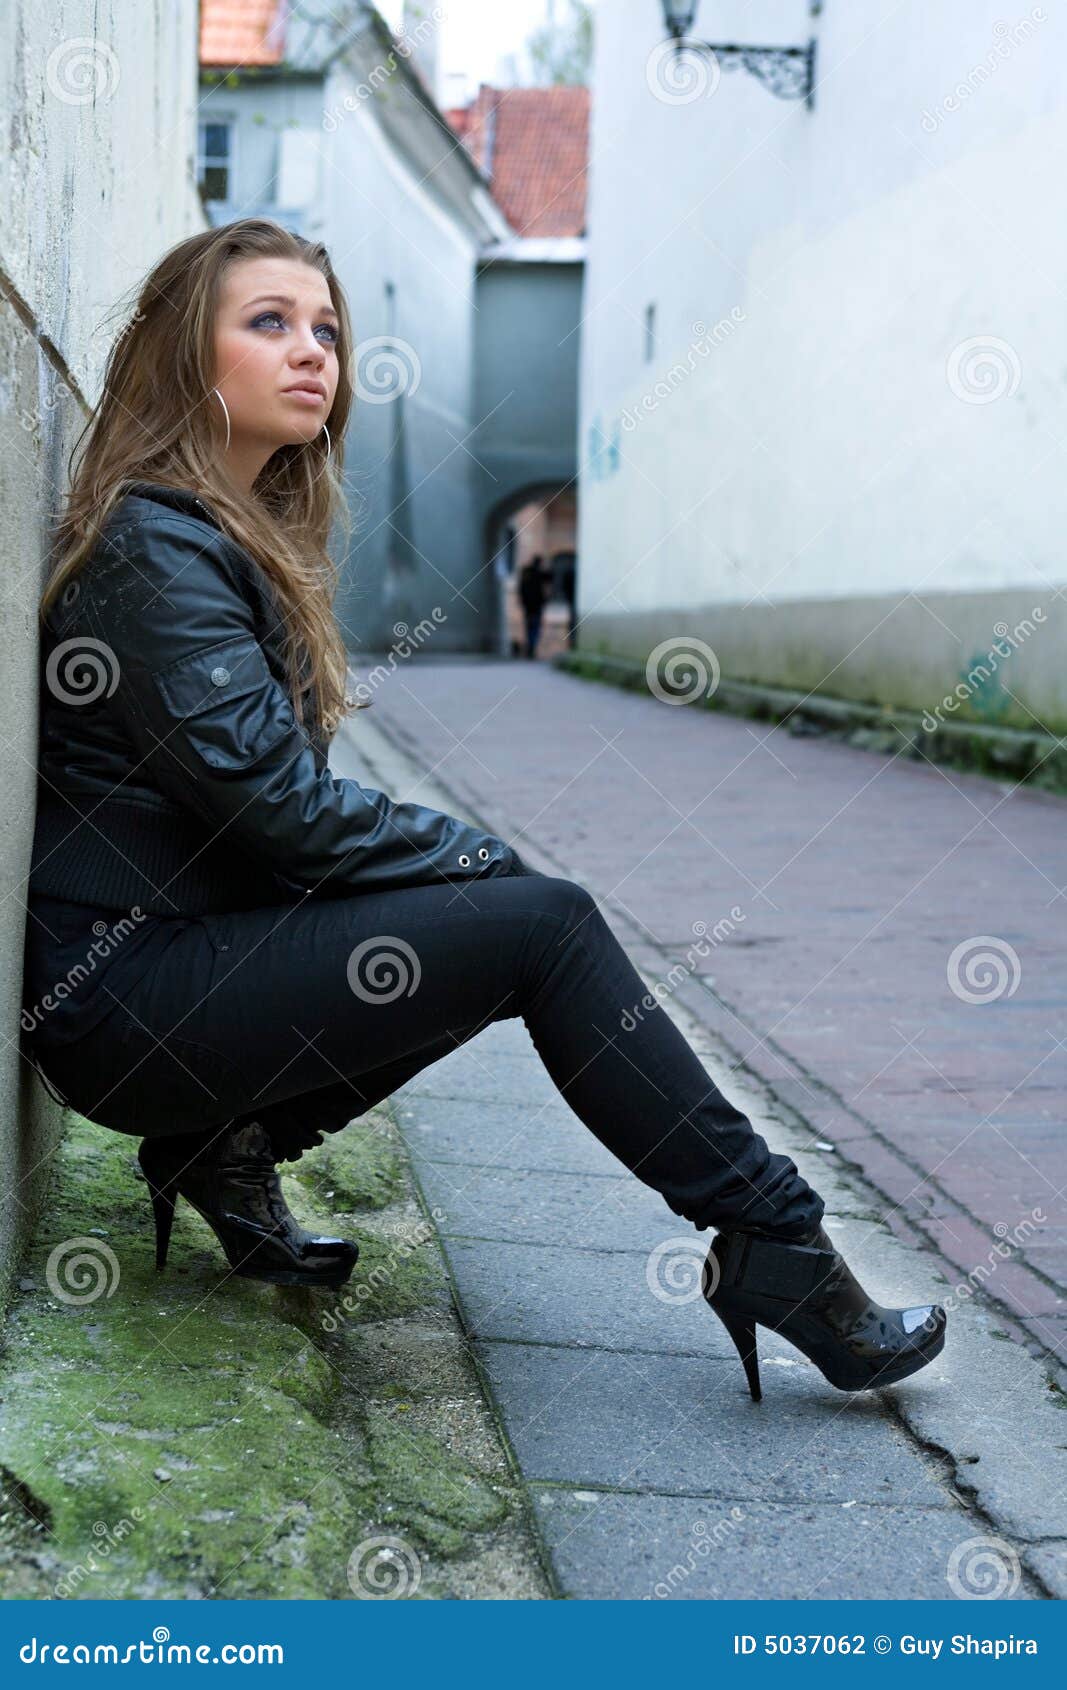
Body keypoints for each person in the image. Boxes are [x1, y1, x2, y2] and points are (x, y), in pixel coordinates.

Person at [21, 217, 945, 1396]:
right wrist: (470, 852)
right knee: (537, 925)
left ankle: (224, 1145)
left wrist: (458, 873)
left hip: (171, 963)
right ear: (183, 359)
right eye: (269, 324)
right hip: (120, 989)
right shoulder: (158, 545)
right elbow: (279, 810)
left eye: (327, 330)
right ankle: (777, 1240)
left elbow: (269, 812)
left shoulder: (216, 535)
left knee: (501, 918)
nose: (314, 353)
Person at [517, 553, 548, 659]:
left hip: (528, 605)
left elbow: (521, 588)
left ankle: (530, 646)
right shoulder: (539, 574)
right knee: (535, 627)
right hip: (536, 605)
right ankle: (531, 646)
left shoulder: (526, 573)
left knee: (530, 626)